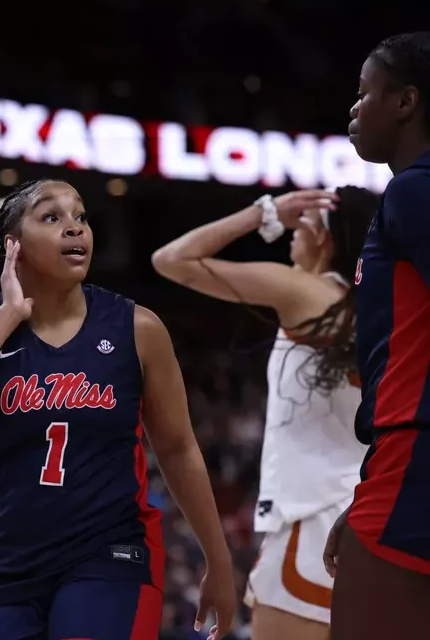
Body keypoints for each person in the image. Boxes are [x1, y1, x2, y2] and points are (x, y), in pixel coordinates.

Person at [0, 179, 237, 640]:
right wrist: (7, 316)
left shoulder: (137, 327)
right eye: (52, 217)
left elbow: (178, 448)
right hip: (4, 566)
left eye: (81, 217)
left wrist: (218, 561)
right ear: (13, 244)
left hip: (108, 555)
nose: (75, 229)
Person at [151, 185, 378, 640]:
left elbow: (172, 260)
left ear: (326, 240)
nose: (293, 229)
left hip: (313, 522)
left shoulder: (308, 291)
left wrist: (263, 212)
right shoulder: (376, 306)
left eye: (305, 222)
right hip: (358, 513)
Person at [322, 32, 430, 640]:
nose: (355, 108)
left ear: (406, 101)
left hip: (414, 464)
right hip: (398, 461)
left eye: (366, 93)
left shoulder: (415, 190)